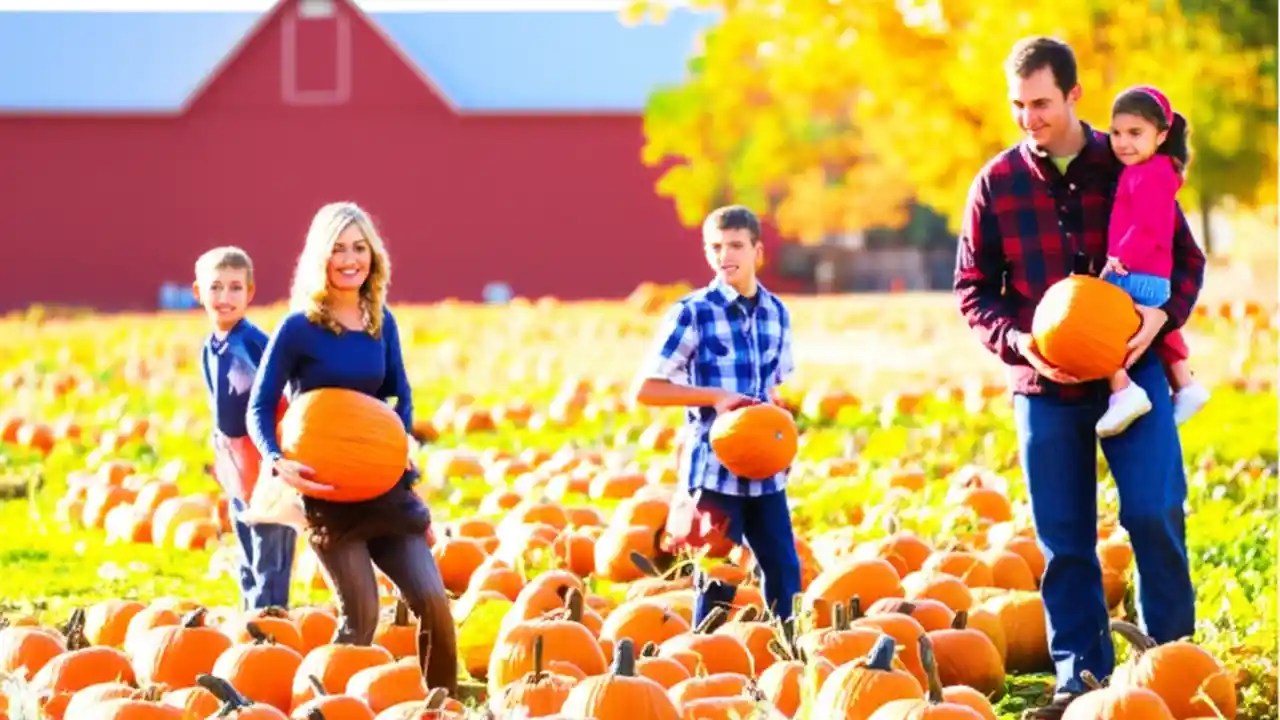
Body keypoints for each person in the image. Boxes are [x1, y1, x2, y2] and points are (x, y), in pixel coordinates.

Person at [953, 37, 1204, 719]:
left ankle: (1171, 660)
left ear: (1072, 96)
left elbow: (1185, 261)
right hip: (1046, 385)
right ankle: (1083, 680)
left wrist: (1160, 319)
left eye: (1040, 103)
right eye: (1017, 105)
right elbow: (974, 289)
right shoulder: (997, 184)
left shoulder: (1126, 159)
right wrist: (1019, 342)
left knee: (1155, 511)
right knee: (1064, 540)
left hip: (1133, 369)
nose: (1028, 118)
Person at [245, 202, 457, 695]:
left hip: (384, 486)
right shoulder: (299, 327)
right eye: (338, 248)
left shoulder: (381, 321)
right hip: (327, 494)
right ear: (321, 256)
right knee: (361, 617)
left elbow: (401, 393)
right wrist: (279, 463)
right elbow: (260, 405)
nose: (350, 259)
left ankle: (441, 705)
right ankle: (332, 704)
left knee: (432, 601)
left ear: (373, 256)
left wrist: (398, 440)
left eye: (359, 247)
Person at [632, 204, 802, 624]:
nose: (725, 256)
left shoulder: (777, 313)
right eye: (715, 247)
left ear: (757, 251)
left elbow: (772, 388)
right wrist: (715, 397)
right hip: (715, 471)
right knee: (717, 581)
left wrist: (780, 428)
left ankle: (791, 655)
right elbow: (646, 389)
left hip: (766, 471)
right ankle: (703, 666)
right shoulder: (692, 313)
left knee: (785, 573)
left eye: (735, 246)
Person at [1095, 85, 1211, 437]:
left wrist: (1117, 260)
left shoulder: (1147, 175)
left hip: (1136, 272)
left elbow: (1151, 229)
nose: (1122, 142)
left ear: (1160, 136)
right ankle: (1186, 385)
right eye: (1116, 132)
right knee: (1160, 334)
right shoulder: (1155, 171)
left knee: (1098, 324)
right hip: (1149, 275)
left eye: (1135, 133)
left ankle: (1123, 390)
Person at [193, 246, 297, 611]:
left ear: (250, 293)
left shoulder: (254, 343)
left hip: (267, 458)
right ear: (198, 293)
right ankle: (251, 611)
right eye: (216, 287)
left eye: (235, 288)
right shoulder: (210, 346)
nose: (225, 298)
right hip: (236, 463)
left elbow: (285, 389)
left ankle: (271, 616)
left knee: (271, 542)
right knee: (246, 538)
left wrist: (281, 446)